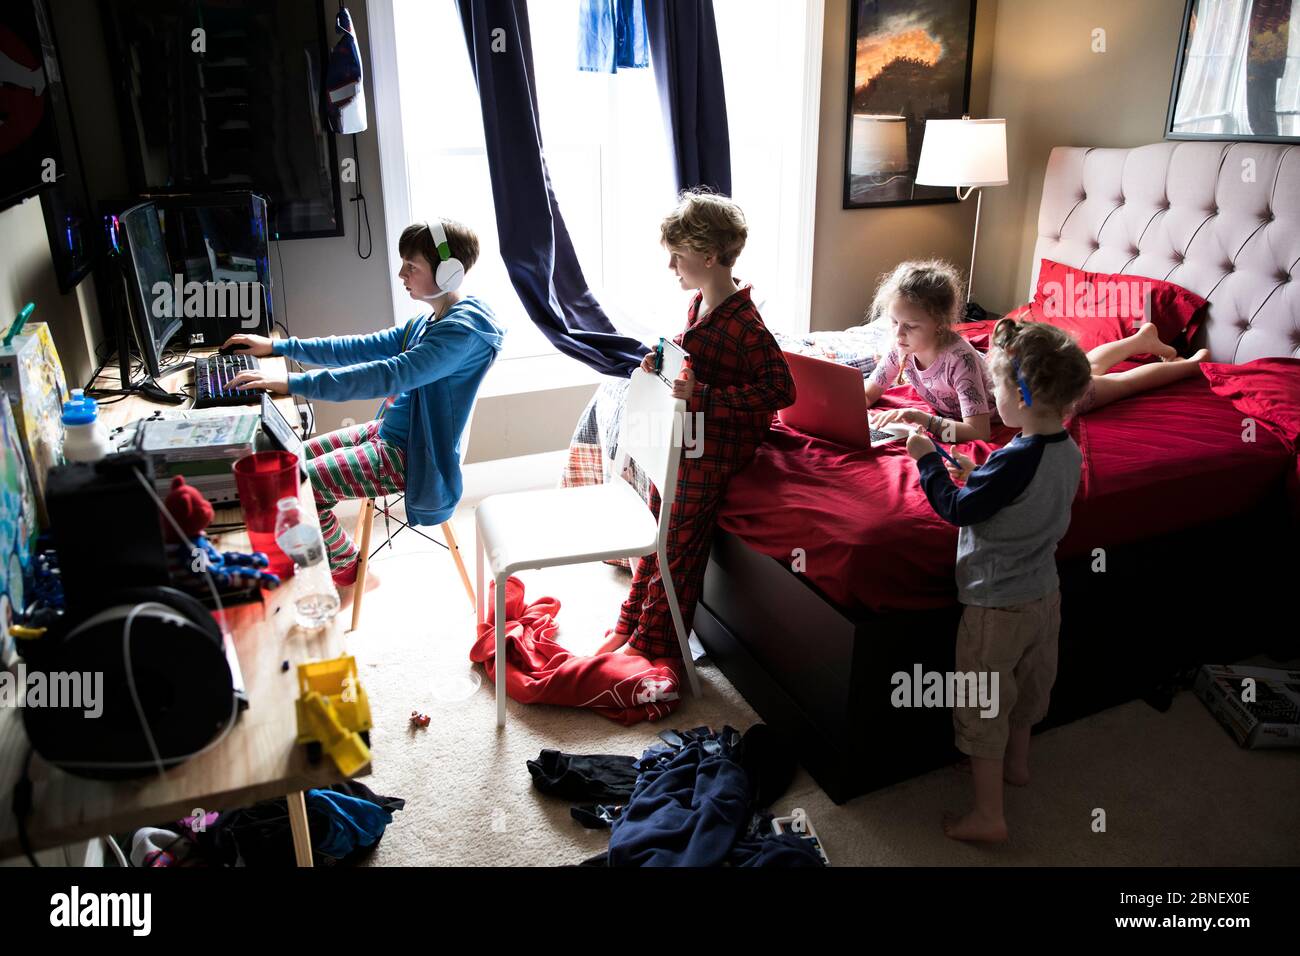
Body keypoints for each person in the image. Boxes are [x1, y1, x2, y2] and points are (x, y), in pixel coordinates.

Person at [224, 218, 504, 587]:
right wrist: (278, 346)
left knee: (299, 482)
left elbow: (385, 375)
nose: (402, 273)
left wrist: (291, 383)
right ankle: (314, 561)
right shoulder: (430, 321)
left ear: (449, 273)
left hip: (413, 456)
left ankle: (350, 572)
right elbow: (360, 346)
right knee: (287, 461)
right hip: (388, 432)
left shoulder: (461, 334)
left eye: (411, 266)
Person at [905, 317, 1092, 843]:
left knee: (984, 703)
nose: (993, 398)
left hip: (996, 607)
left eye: (998, 388)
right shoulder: (1069, 451)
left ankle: (989, 814)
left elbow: (959, 510)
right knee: (1030, 687)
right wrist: (976, 472)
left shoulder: (1012, 462)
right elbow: (1017, 498)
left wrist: (928, 464)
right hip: (1045, 596)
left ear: (1023, 394)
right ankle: (1019, 765)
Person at [598, 190, 795, 659]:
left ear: (709, 256)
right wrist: (661, 364)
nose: (672, 267)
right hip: (688, 436)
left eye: (678, 257)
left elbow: (780, 391)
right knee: (656, 529)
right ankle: (630, 622)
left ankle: (654, 644)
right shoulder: (701, 304)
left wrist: (705, 395)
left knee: (678, 547)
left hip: (717, 446)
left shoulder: (746, 324)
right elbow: (697, 361)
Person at [864, 260, 995, 444]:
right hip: (949, 418)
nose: (898, 333)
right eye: (894, 322)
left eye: (910, 326)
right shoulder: (901, 347)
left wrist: (922, 419)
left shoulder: (959, 361)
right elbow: (869, 394)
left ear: (939, 324)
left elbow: (979, 432)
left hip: (980, 417)